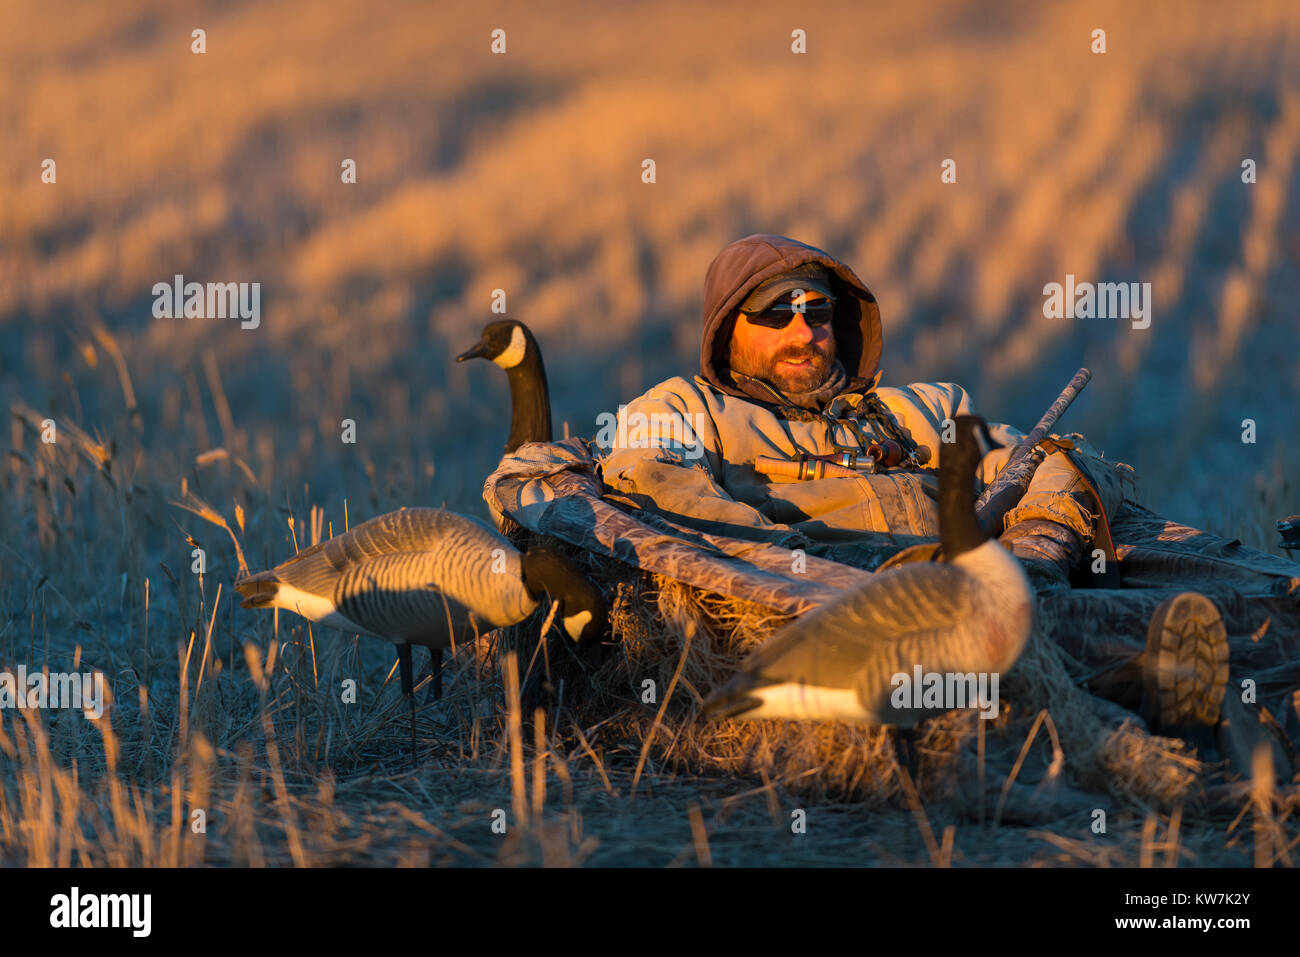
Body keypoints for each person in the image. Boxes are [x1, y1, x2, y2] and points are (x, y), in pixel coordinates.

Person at [596, 233, 1231, 736]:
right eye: (775, 314)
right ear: (726, 327)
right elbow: (661, 492)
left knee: (1214, 601)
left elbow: (1044, 460)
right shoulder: (681, 408)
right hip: (850, 618)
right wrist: (817, 568)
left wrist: (1034, 553)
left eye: (817, 311)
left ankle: (1151, 676)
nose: (803, 332)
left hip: (998, 595)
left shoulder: (921, 408)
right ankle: (1137, 694)